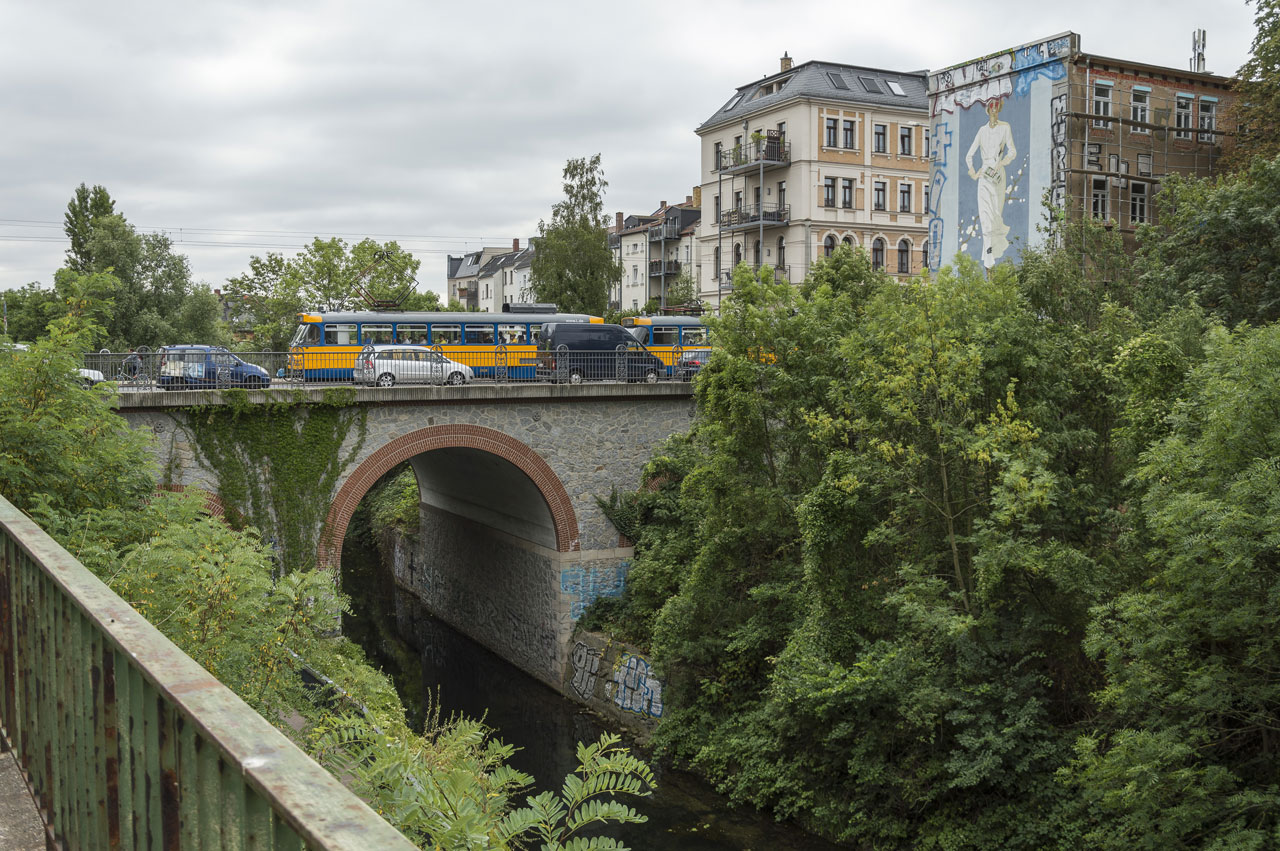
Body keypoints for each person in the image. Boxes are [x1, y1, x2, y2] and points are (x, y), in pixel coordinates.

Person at [965, 97, 1017, 269]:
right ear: (987, 110)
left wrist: (1002, 163)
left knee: (995, 214)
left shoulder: (1005, 127)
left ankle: (993, 251)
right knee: (984, 213)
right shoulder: (982, 130)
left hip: (998, 174)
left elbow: (1012, 151)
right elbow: (969, 155)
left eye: (996, 107)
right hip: (984, 175)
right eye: (991, 107)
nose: (994, 110)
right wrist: (973, 173)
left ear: (999, 109)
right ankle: (988, 256)